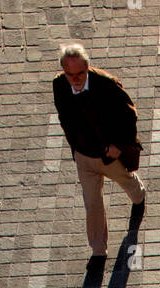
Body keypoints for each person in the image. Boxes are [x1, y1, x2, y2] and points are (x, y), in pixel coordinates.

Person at [53, 43, 145, 266]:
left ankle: (139, 195)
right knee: (92, 203)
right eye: (69, 74)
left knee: (126, 180)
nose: (75, 79)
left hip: (109, 154)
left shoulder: (107, 84)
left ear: (87, 66)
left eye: (80, 73)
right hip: (84, 156)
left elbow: (129, 116)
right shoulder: (58, 84)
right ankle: (98, 250)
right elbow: (64, 117)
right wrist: (75, 148)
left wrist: (119, 147)